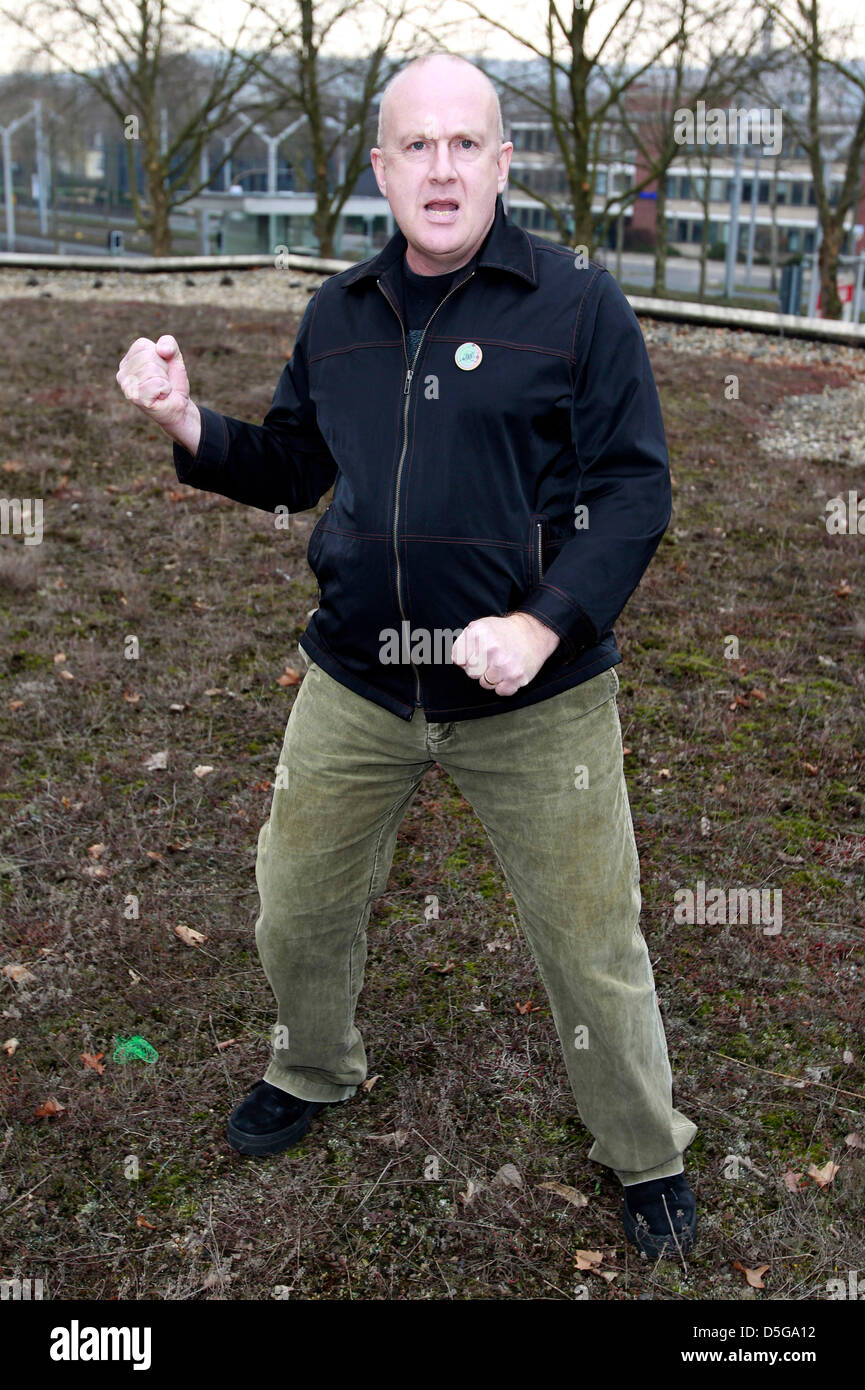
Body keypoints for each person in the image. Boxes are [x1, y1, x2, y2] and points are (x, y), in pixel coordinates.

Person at [115, 52, 698, 1259]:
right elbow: (288, 466)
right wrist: (184, 421)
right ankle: (315, 1068)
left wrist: (541, 621)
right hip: (357, 681)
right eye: (414, 147)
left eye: (463, 144)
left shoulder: (576, 304)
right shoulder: (337, 316)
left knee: (593, 945)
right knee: (297, 905)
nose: (440, 168)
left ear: (501, 160)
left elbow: (632, 493)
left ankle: (643, 1151)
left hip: (535, 699)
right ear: (379, 168)